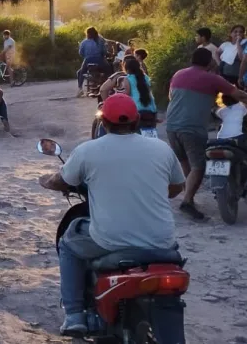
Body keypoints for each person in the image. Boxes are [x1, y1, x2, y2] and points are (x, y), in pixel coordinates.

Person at [39, 93, 186, 336]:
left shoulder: (89, 151)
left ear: (103, 123)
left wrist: (47, 181)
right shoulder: (161, 148)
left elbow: (62, 180)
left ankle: (74, 314)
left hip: (109, 241)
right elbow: (176, 188)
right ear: (137, 120)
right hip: (163, 242)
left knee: (69, 242)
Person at [166, 48, 247, 220]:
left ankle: (190, 197)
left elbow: (171, 97)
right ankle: (187, 201)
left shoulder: (178, 74)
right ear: (209, 62)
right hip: (192, 129)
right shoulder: (212, 78)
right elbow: (239, 94)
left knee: (185, 163)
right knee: (198, 166)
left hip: (171, 126)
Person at [215, 94, 247, 190]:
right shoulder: (241, 108)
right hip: (238, 138)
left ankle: (217, 180)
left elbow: (216, 114)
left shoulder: (221, 111)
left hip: (221, 139)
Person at [77, 27, 109, 97]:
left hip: (87, 60)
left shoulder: (84, 42)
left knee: (80, 72)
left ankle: (80, 88)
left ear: (87, 34)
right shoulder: (100, 40)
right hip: (99, 60)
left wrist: (87, 56)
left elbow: (81, 53)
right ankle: (109, 85)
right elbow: (104, 52)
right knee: (108, 69)